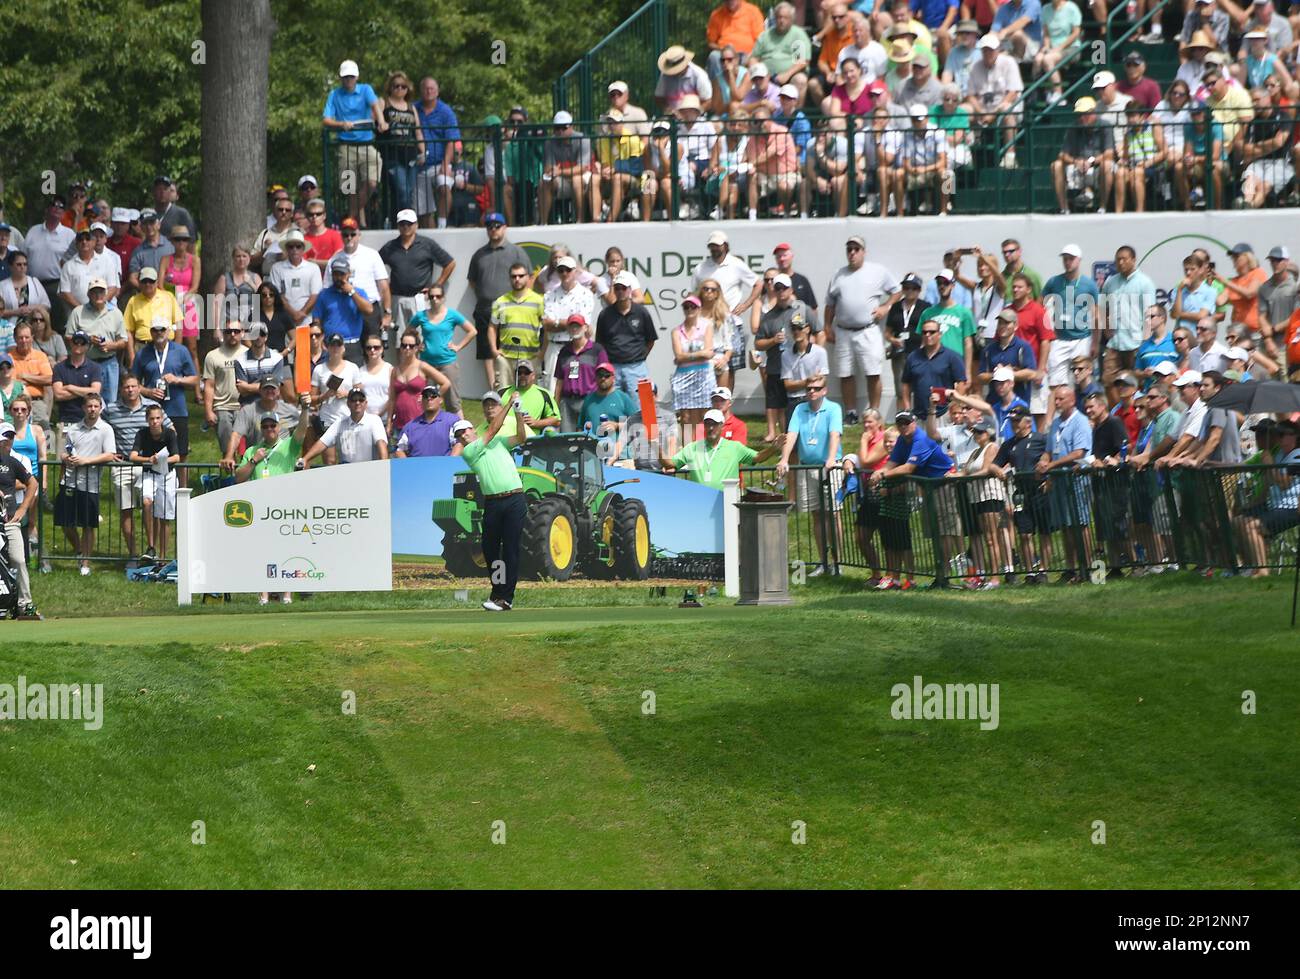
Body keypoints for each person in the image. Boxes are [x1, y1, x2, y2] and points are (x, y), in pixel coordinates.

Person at [450, 402, 530, 612]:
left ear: (472, 430)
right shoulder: (470, 452)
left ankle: (505, 599)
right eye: (458, 435)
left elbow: (521, 438)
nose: (462, 436)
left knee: (511, 548)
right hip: (493, 503)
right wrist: (510, 404)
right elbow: (494, 427)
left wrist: (519, 415)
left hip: (514, 499)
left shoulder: (499, 443)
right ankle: (497, 593)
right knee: (491, 550)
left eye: (464, 431)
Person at [825, 235, 901, 423]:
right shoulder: (838, 274)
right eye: (849, 249)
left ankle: (873, 411)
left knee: (873, 372)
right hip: (843, 330)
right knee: (845, 373)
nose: (852, 253)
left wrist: (886, 307)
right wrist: (827, 325)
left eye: (856, 249)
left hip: (868, 330)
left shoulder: (878, 271)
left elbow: (897, 291)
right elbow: (830, 304)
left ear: (863, 252)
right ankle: (851, 412)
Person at [776, 377, 843, 574]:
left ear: (824, 390)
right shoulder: (799, 409)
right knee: (816, 514)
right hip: (806, 467)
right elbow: (792, 435)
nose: (812, 391)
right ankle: (823, 563)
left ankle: (838, 562)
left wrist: (831, 458)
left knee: (834, 514)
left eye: (816, 388)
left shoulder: (833, 409)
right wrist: (784, 459)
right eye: (809, 388)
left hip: (829, 467)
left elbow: (835, 434)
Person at [1035, 386, 1093, 582]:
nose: (1057, 402)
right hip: (1059, 481)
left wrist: (1051, 465)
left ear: (1072, 400)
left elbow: (1079, 452)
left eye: (1060, 399)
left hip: (1076, 480)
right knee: (1066, 526)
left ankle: (1088, 567)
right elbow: (1049, 449)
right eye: (1055, 399)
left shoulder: (1080, 421)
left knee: (1081, 524)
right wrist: (1044, 461)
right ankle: (1071, 568)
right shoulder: (1056, 424)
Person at [466, 216, 529, 391]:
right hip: (485, 308)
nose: (493, 229)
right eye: (489, 226)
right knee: (488, 351)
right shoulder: (479, 254)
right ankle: (495, 391)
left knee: (512, 349)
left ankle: (516, 387)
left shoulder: (517, 252)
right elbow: (472, 281)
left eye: (497, 226)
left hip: (511, 308)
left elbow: (527, 279)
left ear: (505, 227)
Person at [323, 59, 387, 227]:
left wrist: (381, 121)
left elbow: (375, 106)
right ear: (340, 78)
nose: (348, 80)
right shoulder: (334, 94)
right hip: (345, 146)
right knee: (349, 187)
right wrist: (341, 125)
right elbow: (327, 120)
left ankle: (350, 218)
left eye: (351, 76)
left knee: (372, 182)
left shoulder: (366, 89)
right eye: (345, 77)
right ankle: (356, 222)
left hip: (366, 144)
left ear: (357, 77)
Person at [56, 392, 115, 575]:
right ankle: (80, 552)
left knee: (88, 524)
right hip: (70, 481)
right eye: (89, 406)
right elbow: (64, 451)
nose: (92, 409)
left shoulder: (106, 429)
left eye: (96, 406)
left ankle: (86, 563)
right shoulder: (74, 429)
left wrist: (85, 461)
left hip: (90, 483)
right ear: (83, 408)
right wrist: (66, 458)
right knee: (66, 523)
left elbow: (110, 454)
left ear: (100, 408)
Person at [131, 319, 197, 480]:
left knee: (181, 453)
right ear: (151, 332)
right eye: (155, 330)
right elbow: (133, 383)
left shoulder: (181, 351)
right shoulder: (142, 353)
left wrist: (177, 380)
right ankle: (151, 489)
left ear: (168, 331)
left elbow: (195, 379)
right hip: (151, 410)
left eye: (162, 329)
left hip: (177, 408)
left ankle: (182, 492)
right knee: (150, 451)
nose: (159, 333)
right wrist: (148, 391)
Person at [379, 209, 456, 335]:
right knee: (401, 342)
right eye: (402, 224)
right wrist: (385, 286)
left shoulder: (427, 244)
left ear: (416, 225)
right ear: (398, 226)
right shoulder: (390, 247)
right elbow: (376, 266)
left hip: (421, 299)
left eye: (409, 224)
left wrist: (435, 287)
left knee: (421, 339)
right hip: (398, 299)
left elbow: (450, 263)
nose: (406, 227)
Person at [662, 408, 775, 489]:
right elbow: (670, 463)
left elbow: (758, 457)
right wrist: (656, 446)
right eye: (707, 424)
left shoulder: (734, 447)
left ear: (722, 426)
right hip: (700, 502)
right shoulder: (693, 447)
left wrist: (774, 448)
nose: (711, 428)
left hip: (727, 502)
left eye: (714, 424)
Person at [1041, 243, 1099, 391]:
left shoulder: (1089, 284)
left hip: (1082, 339)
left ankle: (1082, 412)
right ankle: (1057, 413)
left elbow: (1097, 315)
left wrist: (1094, 343)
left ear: (1079, 260)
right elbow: (1040, 307)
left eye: (1071, 259)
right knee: (1055, 382)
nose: (1068, 262)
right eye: (1065, 258)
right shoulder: (1054, 282)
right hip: (1059, 339)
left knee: (1082, 381)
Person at [127, 403, 179, 560]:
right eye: (151, 419)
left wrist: (161, 459)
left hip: (166, 474)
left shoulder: (169, 434)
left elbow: (176, 457)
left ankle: (163, 557)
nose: (155, 422)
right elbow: (133, 456)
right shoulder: (142, 434)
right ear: (147, 420)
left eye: (157, 418)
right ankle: (151, 546)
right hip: (149, 473)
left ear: (162, 419)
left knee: (165, 516)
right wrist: (149, 460)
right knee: (147, 502)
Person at [66, 278, 126, 406]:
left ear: (106, 294)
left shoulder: (116, 313)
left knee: (110, 402)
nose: (98, 295)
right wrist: (87, 340)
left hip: (109, 362)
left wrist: (112, 345)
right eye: (94, 292)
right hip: (85, 363)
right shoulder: (78, 311)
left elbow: (124, 341)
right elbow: (68, 337)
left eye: (101, 292)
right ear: (88, 295)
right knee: (87, 401)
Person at [0, 421, 40, 617]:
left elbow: (32, 483)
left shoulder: (12, 461)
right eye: (4, 437)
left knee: (19, 560)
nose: (8, 441)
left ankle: (25, 604)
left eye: (11, 437)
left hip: (9, 521)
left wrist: (23, 508)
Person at [595, 271, 657, 395]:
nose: (620, 291)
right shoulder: (605, 315)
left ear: (629, 290)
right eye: (617, 288)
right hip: (613, 369)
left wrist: (639, 357)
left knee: (641, 408)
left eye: (624, 288)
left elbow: (650, 340)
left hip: (637, 368)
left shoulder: (641, 312)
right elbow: (600, 344)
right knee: (615, 408)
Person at [223, 376, 300, 473]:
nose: (269, 391)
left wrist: (304, 458)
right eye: (266, 388)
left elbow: (302, 431)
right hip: (256, 460)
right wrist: (229, 456)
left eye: (272, 388)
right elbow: (236, 435)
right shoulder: (248, 411)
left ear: (279, 391)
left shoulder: (290, 411)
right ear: (259, 391)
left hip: (282, 461)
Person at [413, 77, 460, 229]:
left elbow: (452, 140)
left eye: (432, 88)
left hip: (440, 162)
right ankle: (432, 237)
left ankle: (442, 225)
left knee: (444, 186)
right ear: (421, 91)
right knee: (424, 210)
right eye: (426, 88)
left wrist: (446, 164)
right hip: (419, 166)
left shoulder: (446, 111)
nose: (429, 91)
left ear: (437, 91)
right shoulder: (413, 109)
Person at [541, 255, 598, 379]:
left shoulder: (585, 294)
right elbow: (547, 324)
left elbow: (583, 326)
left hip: (577, 349)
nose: (564, 273)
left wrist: (557, 322)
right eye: (561, 270)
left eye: (568, 270)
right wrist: (571, 322)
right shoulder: (549, 296)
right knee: (553, 388)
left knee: (576, 386)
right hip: (554, 348)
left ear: (575, 271)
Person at [901, 315, 967, 419]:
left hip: (943, 414)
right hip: (918, 414)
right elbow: (906, 384)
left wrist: (955, 406)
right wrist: (907, 409)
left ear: (940, 334)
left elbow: (961, 383)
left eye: (932, 332)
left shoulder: (952, 356)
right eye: (924, 332)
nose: (928, 335)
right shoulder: (913, 357)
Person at [302, 387, 389, 466]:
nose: (357, 402)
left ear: (366, 403)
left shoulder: (374, 420)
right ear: (348, 403)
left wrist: (384, 467)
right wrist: (304, 459)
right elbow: (323, 442)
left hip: (370, 471)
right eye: (353, 400)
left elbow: (381, 444)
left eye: (361, 400)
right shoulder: (339, 423)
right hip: (345, 474)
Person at [377, 70, 424, 216]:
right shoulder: (383, 102)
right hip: (392, 154)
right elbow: (375, 121)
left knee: (409, 191)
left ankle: (405, 222)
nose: (399, 89)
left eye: (403, 86)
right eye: (396, 86)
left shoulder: (411, 107)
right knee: (402, 189)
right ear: (390, 87)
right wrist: (380, 124)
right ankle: (403, 221)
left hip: (410, 154)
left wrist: (423, 151)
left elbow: (417, 132)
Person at [312, 255, 374, 365]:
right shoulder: (324, 294)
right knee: (330, 380)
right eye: (336, 274)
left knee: (353, 380)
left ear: (349, 274)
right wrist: (320, 341)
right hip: (330, 345)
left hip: (352, 345)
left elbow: (369, 310)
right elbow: (317, 321)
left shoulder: (359, 292)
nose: (339, 277)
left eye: (342, 274)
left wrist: (352, 293)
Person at [157, 226, 201, 377]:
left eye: (184, 239)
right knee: (173, 344)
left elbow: (195, 286)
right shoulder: (165, 259)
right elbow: (160, 284)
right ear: (172, 241)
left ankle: (196, 383)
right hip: (169, 304)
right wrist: (172, 301)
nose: (181, 242)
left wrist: (182, 300)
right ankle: (171, 375)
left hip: (188, 304)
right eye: (177, 239)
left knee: (192, 347)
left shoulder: (194, 260)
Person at [553, 316, 608, 433]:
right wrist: (555, 407)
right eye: (571, 326)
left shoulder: (597, 350)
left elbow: (606, 377)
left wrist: (603, 402)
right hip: (567, 403)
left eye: (577, 326)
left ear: (585, 328)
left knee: (589, 438)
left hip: (590, 401)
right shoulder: (564, 352)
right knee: (567, 440)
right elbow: (559, 382)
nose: (574, 329)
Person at [671, 295, 716, 431]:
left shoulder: (707, 326)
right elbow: (678, 356)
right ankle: (688, 448)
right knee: (685, 417)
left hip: (704, 374)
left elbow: (708, 353)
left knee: (704, 414)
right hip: (683, 376)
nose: (690, 309)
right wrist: (700, 354)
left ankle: (703, 447)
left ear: (699, 309)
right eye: (686, 307)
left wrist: (687, 356)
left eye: (693, 306)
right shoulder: (676, 331)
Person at [202, 321, 246, 459]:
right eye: (228, 331)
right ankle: (229, 479)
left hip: (244, 407)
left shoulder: (248, 354)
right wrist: (208, 411)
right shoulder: (212, 356)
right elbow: (209, 385)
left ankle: (247, 479)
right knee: (228, 451)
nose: (232, 335)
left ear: (242, 333)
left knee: (246, 450)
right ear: (223, 333)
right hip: (222, 407)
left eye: (236, 331)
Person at [52, 330, 104, 444]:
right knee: (63, 458)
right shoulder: (59, 368)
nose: (78, 345)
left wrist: (70, 387)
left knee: (88, 458)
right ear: (71, 343)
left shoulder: (94, 368)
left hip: (88, 421)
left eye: (83, 343)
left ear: (88, 347)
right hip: (65, 420)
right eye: (76, 342)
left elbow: (95, 393)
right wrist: (85, 391)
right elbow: (58, 395)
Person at [579, 362, 639, 459]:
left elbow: (638, 426)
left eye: (606, 376)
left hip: (619, 455)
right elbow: (580, 427)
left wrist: (616, 425)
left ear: (613, 377)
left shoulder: (622, 398)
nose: (603, 378)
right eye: (600, 375)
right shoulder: (589, 400)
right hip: (592, 456)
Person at [121, 266, 181, 363]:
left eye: (151, 281)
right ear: (139, 283)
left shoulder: (168, 297)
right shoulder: (133, 301)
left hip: (167, 347)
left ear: (157, 282)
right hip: (142, 347)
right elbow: (128, 331)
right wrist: (132, 357)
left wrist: (177, 352)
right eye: (144, 281)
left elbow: (179, 325)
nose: (147, 284)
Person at [268, 229, 323, 328]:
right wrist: (293, 314)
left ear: (303, 248)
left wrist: (301, 313)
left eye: (298, 246)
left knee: (304, 344)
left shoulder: (313, 268)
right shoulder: (277, 268)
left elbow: (315, 295)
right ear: (286, 249)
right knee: (285, 344)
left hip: (307, 320)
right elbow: (277, 294)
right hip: (284, 320)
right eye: (291, 246)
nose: (294, 249)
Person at [310, 333, 362, 429]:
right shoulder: (319, 369)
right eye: (332, 345)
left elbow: (361, 394)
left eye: (338, 345)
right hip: (327, 420)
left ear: (343, 348)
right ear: (327, 348)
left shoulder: (352, 368)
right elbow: (311, 399)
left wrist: (346, 394)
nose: (335, 348)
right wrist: (325, 396)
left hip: (349, 418)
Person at [395, 384, 461, 457]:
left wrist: (450, 464)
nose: (429, 398)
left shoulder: (452, 421)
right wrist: (408, 466)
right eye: (425, 396)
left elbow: (459, 443)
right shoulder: (410, 427)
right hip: (417, 467)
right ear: (421, 401)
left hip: (443, 467)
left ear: (441, 400)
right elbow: (400, 450)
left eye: (433, 396)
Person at [233, 322, 287, 404]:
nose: (258, 337)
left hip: (271, 406)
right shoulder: (240, 361)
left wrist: (248, 387)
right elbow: (242, 391)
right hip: (248, 406)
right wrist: (267, 385)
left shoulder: (277, 358)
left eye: (261, 334)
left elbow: (275, 388)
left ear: (266, 337)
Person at [500, 362, 561, 431]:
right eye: (519, 373)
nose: (522, 375)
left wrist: (536, 423)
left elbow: (556, 420)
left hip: (532, 439)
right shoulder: (502, 393)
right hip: (505, 439)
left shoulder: (544, 394)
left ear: (533, 375)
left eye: (526, 373)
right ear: (514, 375)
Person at [357, 334, 395, 431]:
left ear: (382, 349)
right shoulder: (360, 371)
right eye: (369, 348)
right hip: (365, 421)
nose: (372, 350)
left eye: (376, 347)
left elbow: (392, 397)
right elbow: (359, 396)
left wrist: (380, 415)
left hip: (385, 420)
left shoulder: (390, 369)